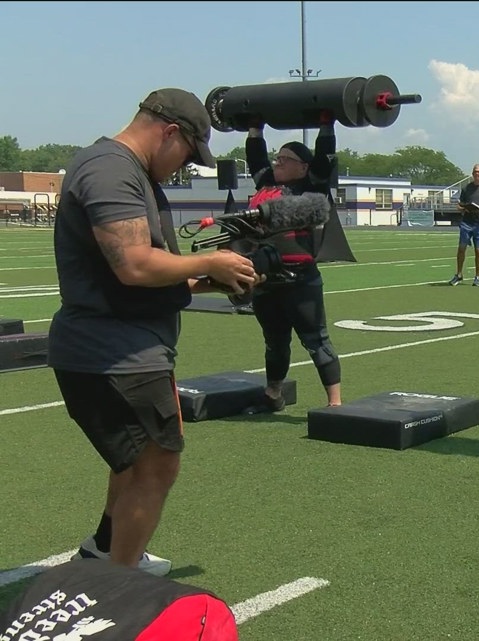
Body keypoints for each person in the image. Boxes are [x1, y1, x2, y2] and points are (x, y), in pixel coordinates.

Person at [49, 88, 259, 575]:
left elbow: (148, 272)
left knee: (133, 461)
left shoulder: (124, 170)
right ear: (169, 132)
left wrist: (219, 276)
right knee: (156, 465)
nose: (185, 165)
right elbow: (134, 265)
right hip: (116, 351)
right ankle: (117, 587)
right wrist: (208, 258)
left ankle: (107, 549)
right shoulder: (111, 169)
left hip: (117, 345)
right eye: (188, 151)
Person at [244, 120, 343, 409]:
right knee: (274, 342)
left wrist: (326, 126)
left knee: (316, 341)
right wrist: (255, 129)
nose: (278, 163)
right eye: (278, 157)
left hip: (300, 280)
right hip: (265, 278)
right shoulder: (266, 184)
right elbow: (256, 159)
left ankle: (334, 403)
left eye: (286, 159)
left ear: (303, 167)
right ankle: (273, 395)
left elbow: (324, 156)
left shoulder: (312, 186)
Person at [448, 164, 479, 287]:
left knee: (478, 250)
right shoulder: (466, 188)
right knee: (461, 248)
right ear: (473, 174)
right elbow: (459, 205)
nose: (477, 174)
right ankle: (458, 274)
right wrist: (464, 208)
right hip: (467, 222)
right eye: (475, 172)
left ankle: (477, 277)